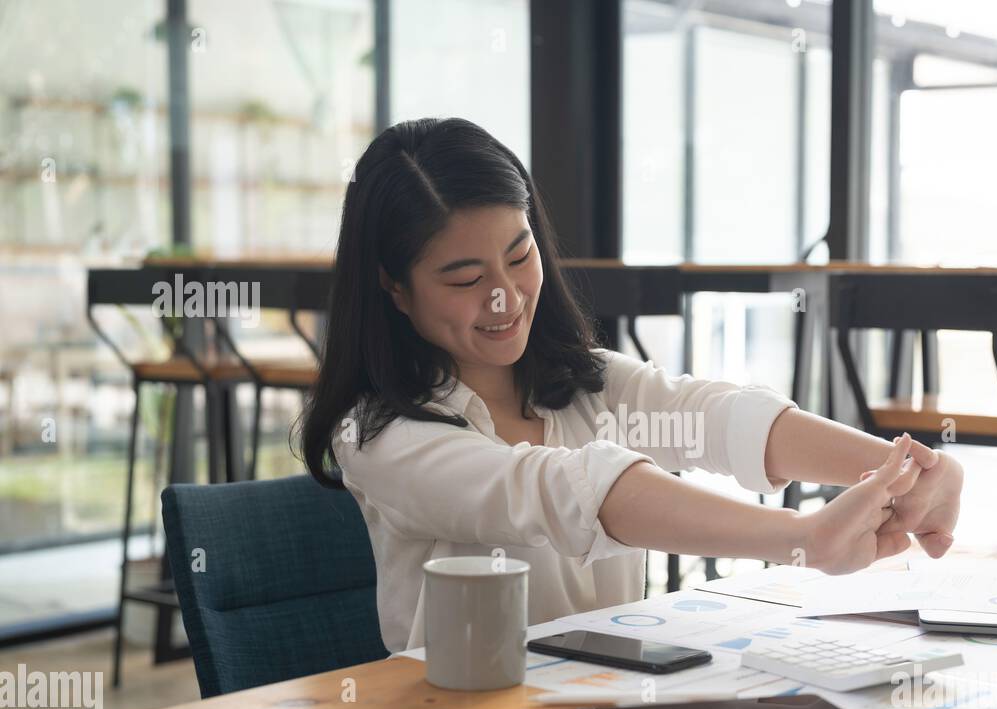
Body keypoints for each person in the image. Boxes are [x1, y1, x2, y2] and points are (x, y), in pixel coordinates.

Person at [299, 118, 963, 654]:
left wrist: (898, 467)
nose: (504, 298)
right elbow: (566, 491)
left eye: (520, 256)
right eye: (465, 280)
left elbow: (709, 417)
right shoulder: (380, 436)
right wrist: (802, 538)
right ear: (394, 288)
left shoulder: (582, 382)